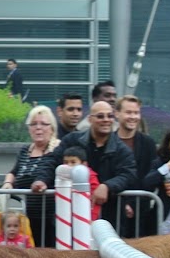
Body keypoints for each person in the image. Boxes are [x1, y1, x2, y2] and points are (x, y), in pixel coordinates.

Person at [54, 99, 136, 233]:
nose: (106, 120)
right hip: (71, 215)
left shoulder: (122, 150)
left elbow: (129, 174)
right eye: (100, 116)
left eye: (109, 116)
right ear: (90, 119)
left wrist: (107, 186)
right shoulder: (71, 140)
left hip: (110, 217)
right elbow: (52, 161)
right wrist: (41, 180)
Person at [0, 103, 61, 248]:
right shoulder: (25, 150)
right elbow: (13, 172)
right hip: (30, 216)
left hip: (53, 217)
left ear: (52, 128)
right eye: (33, 124)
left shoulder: (57, 149)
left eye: (43, 124)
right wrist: (8, 183)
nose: (38, 128)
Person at [114, 95, 159, 235]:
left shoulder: (148, 143)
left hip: (142, 211)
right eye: (128, 112)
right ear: (117, 114)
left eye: (136, 113)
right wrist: (123, 204)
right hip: (114, 208)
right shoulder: (110, 142)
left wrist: (133, 204)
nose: (133, 117)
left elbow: (150, 176)